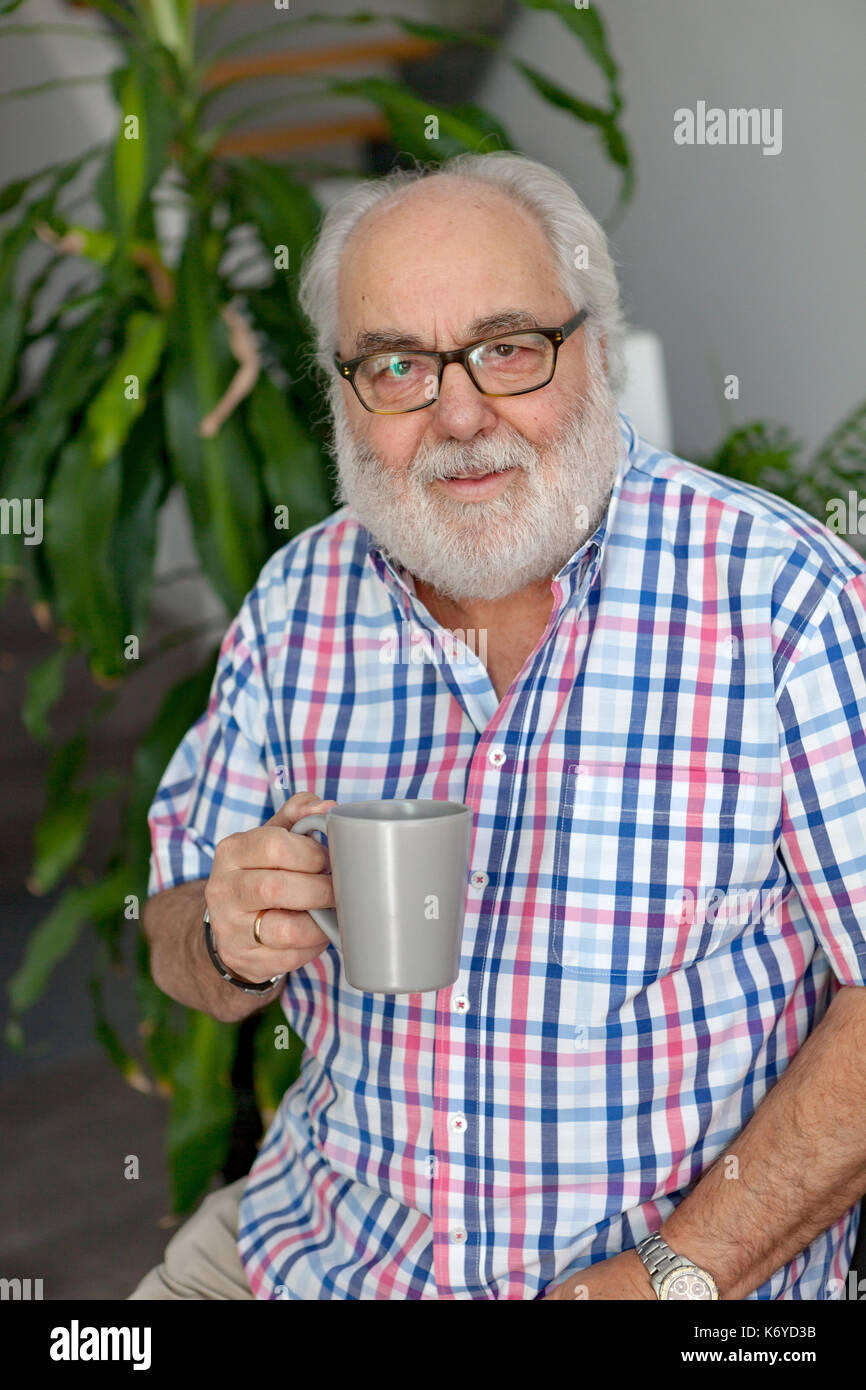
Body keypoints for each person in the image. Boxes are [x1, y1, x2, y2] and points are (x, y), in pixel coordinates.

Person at [128, 150, 866, 1301]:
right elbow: (173, 929)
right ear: (343, 393)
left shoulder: (776, 599)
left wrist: (670, 1271)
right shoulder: (298, 602)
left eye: (509, 348)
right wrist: (224, 934)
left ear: (597, 350)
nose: (459, 412)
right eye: (397, 367)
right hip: (315, 1251)